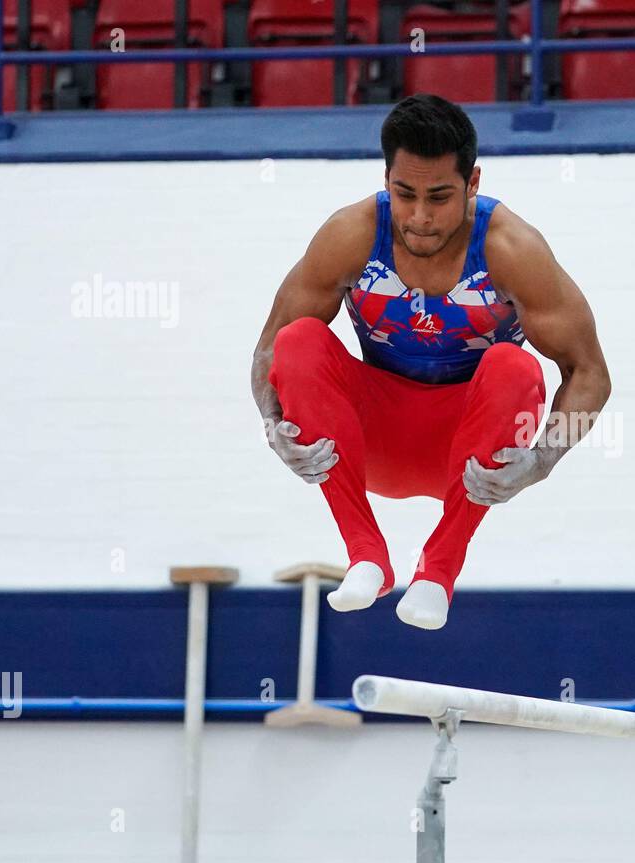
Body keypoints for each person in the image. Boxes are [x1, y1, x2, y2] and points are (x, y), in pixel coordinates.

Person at [250, 94, 610, 630]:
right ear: (386, 179)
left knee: (516, 366)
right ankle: (365, 553)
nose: (419, 217)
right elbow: (266, 352)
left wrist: (542, 461)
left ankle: (438, 571)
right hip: (370, 441)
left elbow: (590, 374)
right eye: (405, 194)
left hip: (467, 452)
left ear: (473, 183)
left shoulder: (512, 248)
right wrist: (275, 426)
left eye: (439, 197)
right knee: (298, 339)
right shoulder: (350, 234)